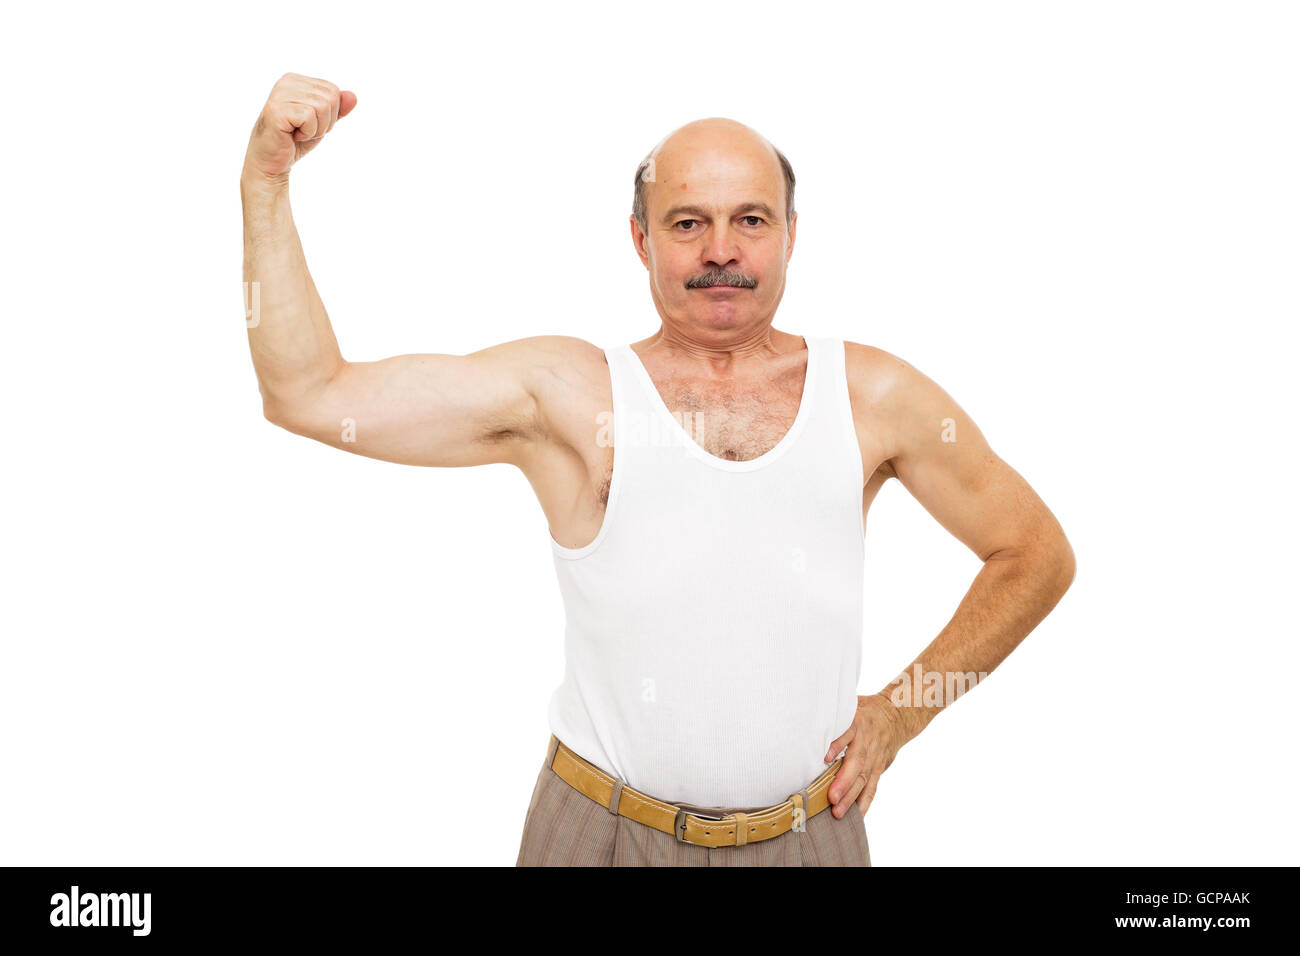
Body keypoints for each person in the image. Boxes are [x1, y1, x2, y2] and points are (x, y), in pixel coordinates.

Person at [240, 73, 1076, 867]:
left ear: (792, 233)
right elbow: (310, 393)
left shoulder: (877, 396)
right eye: (687, 223)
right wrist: (267, 181)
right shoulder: (567, 394)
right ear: (640, 240)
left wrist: (902, 713)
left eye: (751, 220)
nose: (721, 250)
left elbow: (1034, 553)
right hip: (600, 833)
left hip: (810, 833)